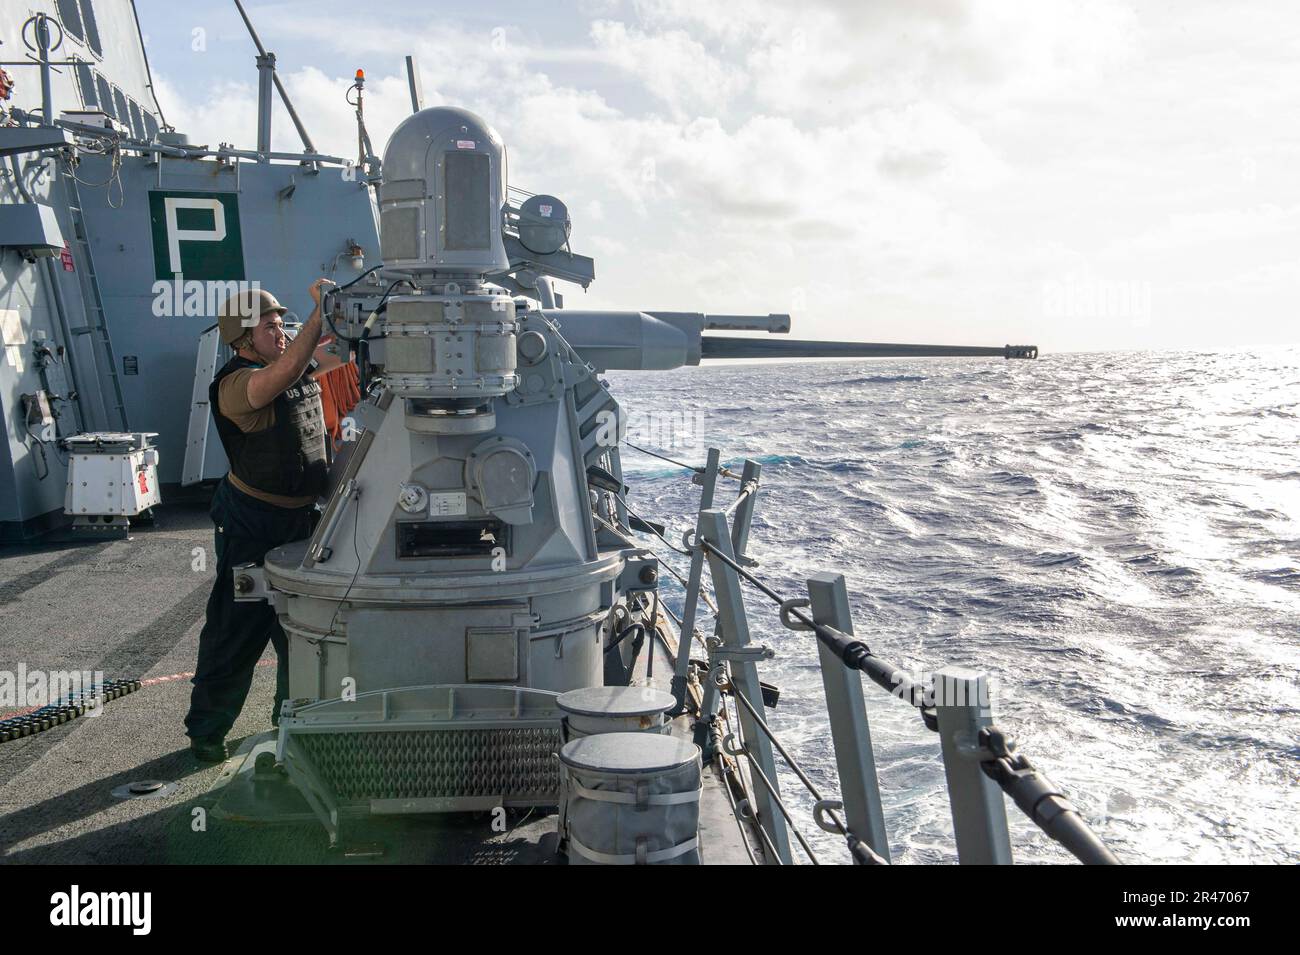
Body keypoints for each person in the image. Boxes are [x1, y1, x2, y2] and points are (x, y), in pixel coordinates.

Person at [184, 278, 334, 762]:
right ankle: (207, 732)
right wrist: (317, 314)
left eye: (283, 324)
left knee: (300, 632)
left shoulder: (289, 366)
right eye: (271, 326)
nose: (282, 333)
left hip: (300, 524)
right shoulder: (237, 385)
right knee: (236, 632)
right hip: (251, 527)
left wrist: (359, 318)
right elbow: (288, 371)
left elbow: (337, 357)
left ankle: (289, 719)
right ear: (244, 340)